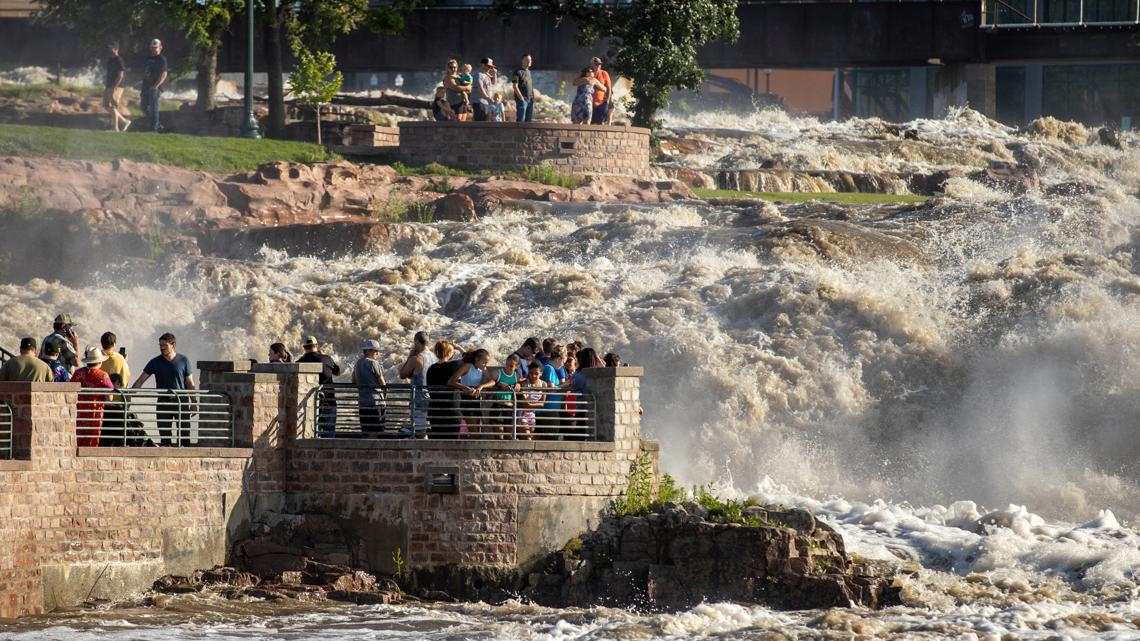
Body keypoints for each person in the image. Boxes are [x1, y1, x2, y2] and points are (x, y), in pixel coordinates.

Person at [132, 332, 196, 447]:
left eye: (165, 345)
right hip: (163, 402)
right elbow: (141, 380)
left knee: (184, 435)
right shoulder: (155, 362)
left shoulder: (184, 360)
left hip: (181, 402)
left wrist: (194, 402)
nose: (162, 348)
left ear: (173, 345)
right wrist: (129, 395)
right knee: (165, 436)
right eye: (160, 345)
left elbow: (190, 383)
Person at [297, 336, 341, 436]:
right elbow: (337, 372)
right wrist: (324, 355)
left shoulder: (300, 362)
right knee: (329, 435)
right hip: (329, 402)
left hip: (309, 405)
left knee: (311, 435)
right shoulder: (326, 359)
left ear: (304, 347)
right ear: (316, 345)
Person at [398, 331, 439, 438]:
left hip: (419, 402)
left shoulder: (417, 358)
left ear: (416, 341)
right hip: (432, 400)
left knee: (420, 433)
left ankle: (421, 454)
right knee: (424, 431)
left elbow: (402, 374)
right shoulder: (435, 357)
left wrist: (409, 357)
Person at [72, 346, 114, 447]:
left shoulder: (78, 373)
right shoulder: (103, 376)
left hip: (79, 412)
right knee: (93, 438)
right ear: (99, 361)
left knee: (78, 436)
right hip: (95, 413)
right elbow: (110, 398)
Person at [448, 348, 492, 436]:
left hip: (477, 401)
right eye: (484, 362)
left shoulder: (482, 368)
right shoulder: (467, 366)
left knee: (476, 434)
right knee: (475, 434)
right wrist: (466, 388)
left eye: (487, 363)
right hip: (467, 401)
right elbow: (451, 381)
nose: (485, 365)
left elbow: (492, 381)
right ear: (477, 359)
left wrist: (481, 386)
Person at [425, 340, 464, 438]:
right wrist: (458, 347)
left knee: (438, 441)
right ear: (449, 353)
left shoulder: (431, 369)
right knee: (451, 442)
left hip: (435, 410)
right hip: (451, 410)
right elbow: (469, 358)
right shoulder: (453, 366)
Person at [352, 339, 386, 435]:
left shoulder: (357, 363)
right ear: (368, 351)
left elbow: (353, 381)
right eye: (375, 351)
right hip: (376, 402)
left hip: (363, 403)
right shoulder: (374, 363)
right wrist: (385, 395)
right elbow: (383, 383)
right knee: (378, 431)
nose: (377, 353)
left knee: (366, 431)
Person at [489, 353, 521, 438]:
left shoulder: (517, 376)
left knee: (508, 437)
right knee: (499, 436)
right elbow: (488, 384)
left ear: (517, 366)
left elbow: (523, 383)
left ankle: (503, 452)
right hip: (498, 407)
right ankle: (497, 451)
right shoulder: (497, 373)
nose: (508, 367)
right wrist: (498, 384)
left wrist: (519, 384)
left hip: (510, 408)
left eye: (511, 366)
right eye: (507, 365)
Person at [141, 38, 168, 133]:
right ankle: (157, 124)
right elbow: (146, 72)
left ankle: (154, 128)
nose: (154, 49)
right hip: (145, 87)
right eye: (152, 47)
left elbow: (164, 74)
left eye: (156, 47)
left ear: (160, 47)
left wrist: (156, 86)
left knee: (154, 108)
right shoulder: (149, 58)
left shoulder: (162, 59)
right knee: (143, 107)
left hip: (155, 88)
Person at [104, 42, 131, 132]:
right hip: (109, 85)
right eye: (109, 48)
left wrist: (114, 86)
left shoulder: (119, 60)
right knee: (106, 105)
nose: (109, 50)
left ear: (116, 49)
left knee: (112, 107)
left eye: (111, 48)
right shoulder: (109, 60)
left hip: (117, 86)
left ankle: (115, 128)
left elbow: (121, 75)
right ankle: (124, 121)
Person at [517, 364, 546, 439]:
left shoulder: (543, 384)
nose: (533, 376)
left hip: (532, 414)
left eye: (536, 373)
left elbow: (542, 404)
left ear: (541, 373)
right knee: (528, 438)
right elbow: (521, 403)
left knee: (530, 436)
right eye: (531, 373)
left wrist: (529, 404)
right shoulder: (524, 383)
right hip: (522, 414)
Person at [589, 57, 613, 125]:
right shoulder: (588, 73)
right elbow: (575, 82)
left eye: (599, 64)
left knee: (600, 123)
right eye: (596, 64)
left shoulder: (604, 73)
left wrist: (607, 101)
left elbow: (609, 88)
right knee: (589, 123)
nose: (598, 66)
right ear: (592, 64)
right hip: (589, 103)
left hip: (601, 103)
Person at [512, 54, 534, 123]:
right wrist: (521, 98)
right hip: (522, 101)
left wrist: (533, 97)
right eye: (527, 60)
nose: (529, 61)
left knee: (528, 122)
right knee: (520, 121)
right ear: (522, 61)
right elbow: (514, 86)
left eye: (530, 60)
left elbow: (529, 85)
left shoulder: (529, 72)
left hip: (530, 100)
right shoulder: (517, 71)